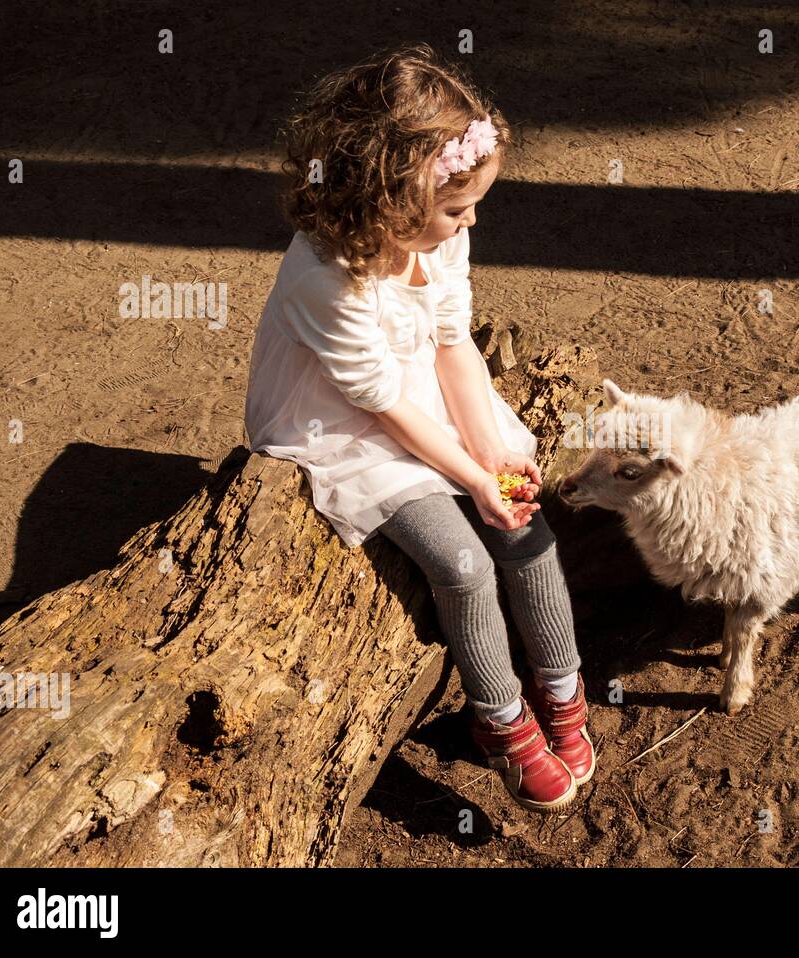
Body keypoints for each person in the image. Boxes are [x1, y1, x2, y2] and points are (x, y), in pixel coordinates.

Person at [242, 44, 592, 813]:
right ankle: (500, 719)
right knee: (463, 563)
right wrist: (471, 481)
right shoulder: (325, 279)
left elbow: (451, 343)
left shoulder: (441, 238)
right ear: (389, 200)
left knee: (525, 529)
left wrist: (493, 452)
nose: (470, 222)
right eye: (455, 209)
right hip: (346, 424)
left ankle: (562, 685)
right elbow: (378, 402)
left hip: (428, 397)